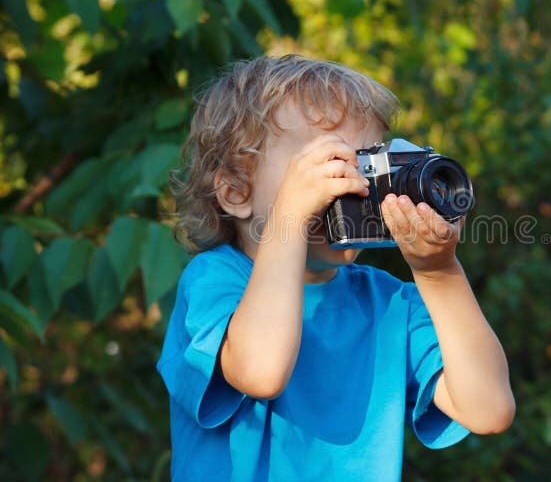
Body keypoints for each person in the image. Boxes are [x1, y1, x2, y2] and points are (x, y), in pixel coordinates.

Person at [157, 55, 515, 480]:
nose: (352, 186)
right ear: (236, 192)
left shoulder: (390, 305)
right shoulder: (214, 280)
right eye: (327, 167)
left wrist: (440, 273)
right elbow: (260, 371)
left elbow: (489, 409)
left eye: (364, 166)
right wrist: (289, 220)